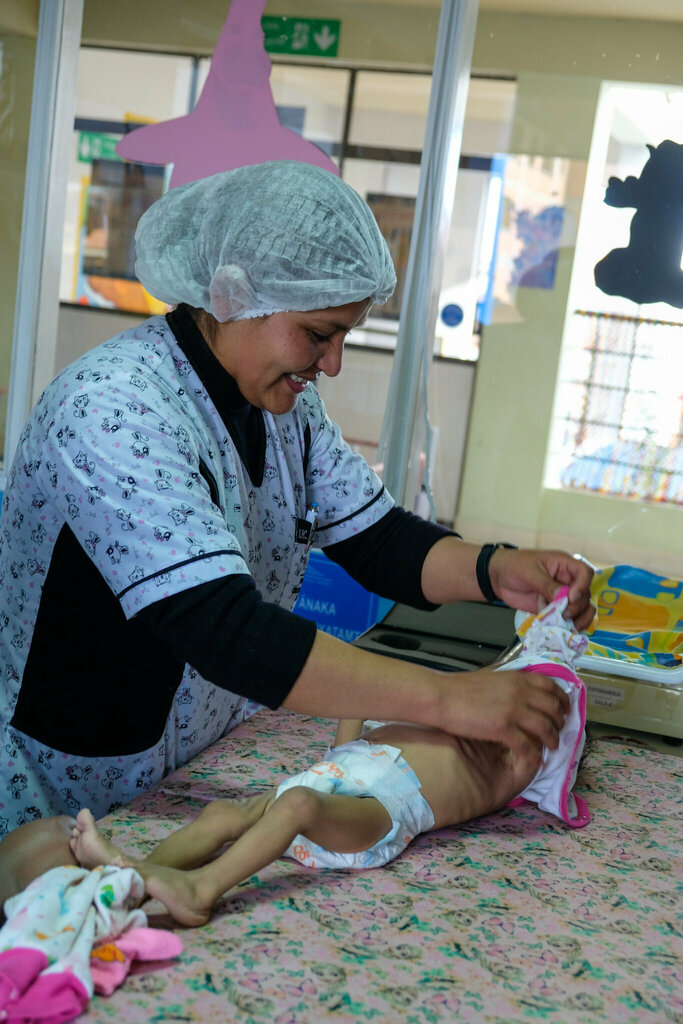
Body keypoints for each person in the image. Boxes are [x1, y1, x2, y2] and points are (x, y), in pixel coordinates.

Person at [0, 160, 594, 863]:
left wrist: (497, 572)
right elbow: (226, 630)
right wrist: (449, 700)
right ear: (233, 295)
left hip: (183, 772)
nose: (332, 363)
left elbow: (379, 541)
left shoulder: (282, 407)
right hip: (63, 789)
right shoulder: (112, 409)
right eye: (318, 334)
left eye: (345, 336)